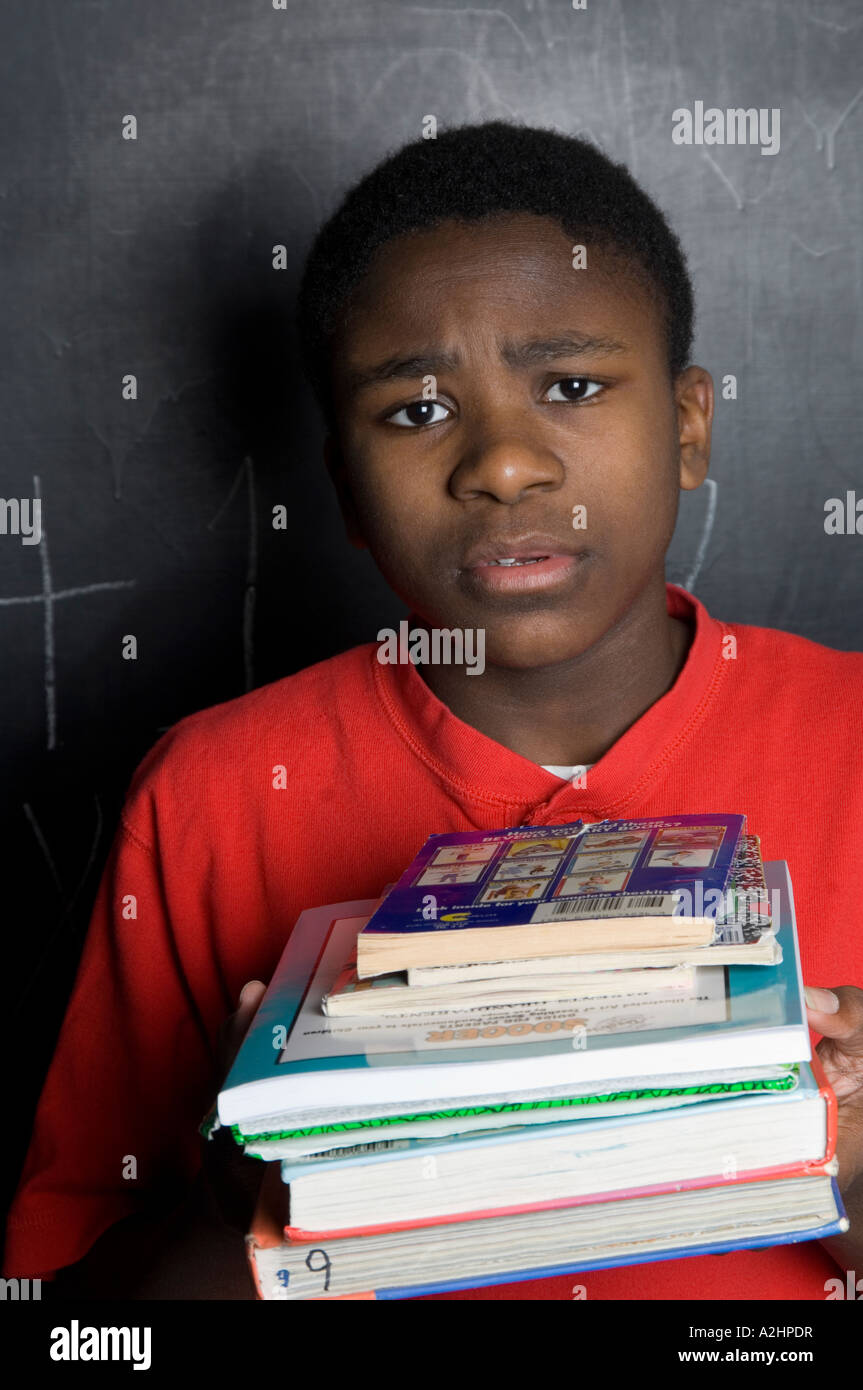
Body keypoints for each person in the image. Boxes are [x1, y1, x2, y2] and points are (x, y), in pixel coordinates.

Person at [5, 121, 863, 1301]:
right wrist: (248, 1200)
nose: (502, 464)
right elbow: (77, 1324)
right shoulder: (207, 797)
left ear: (686, 425)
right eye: (414, 411)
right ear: (345, 488)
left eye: (569, 385)